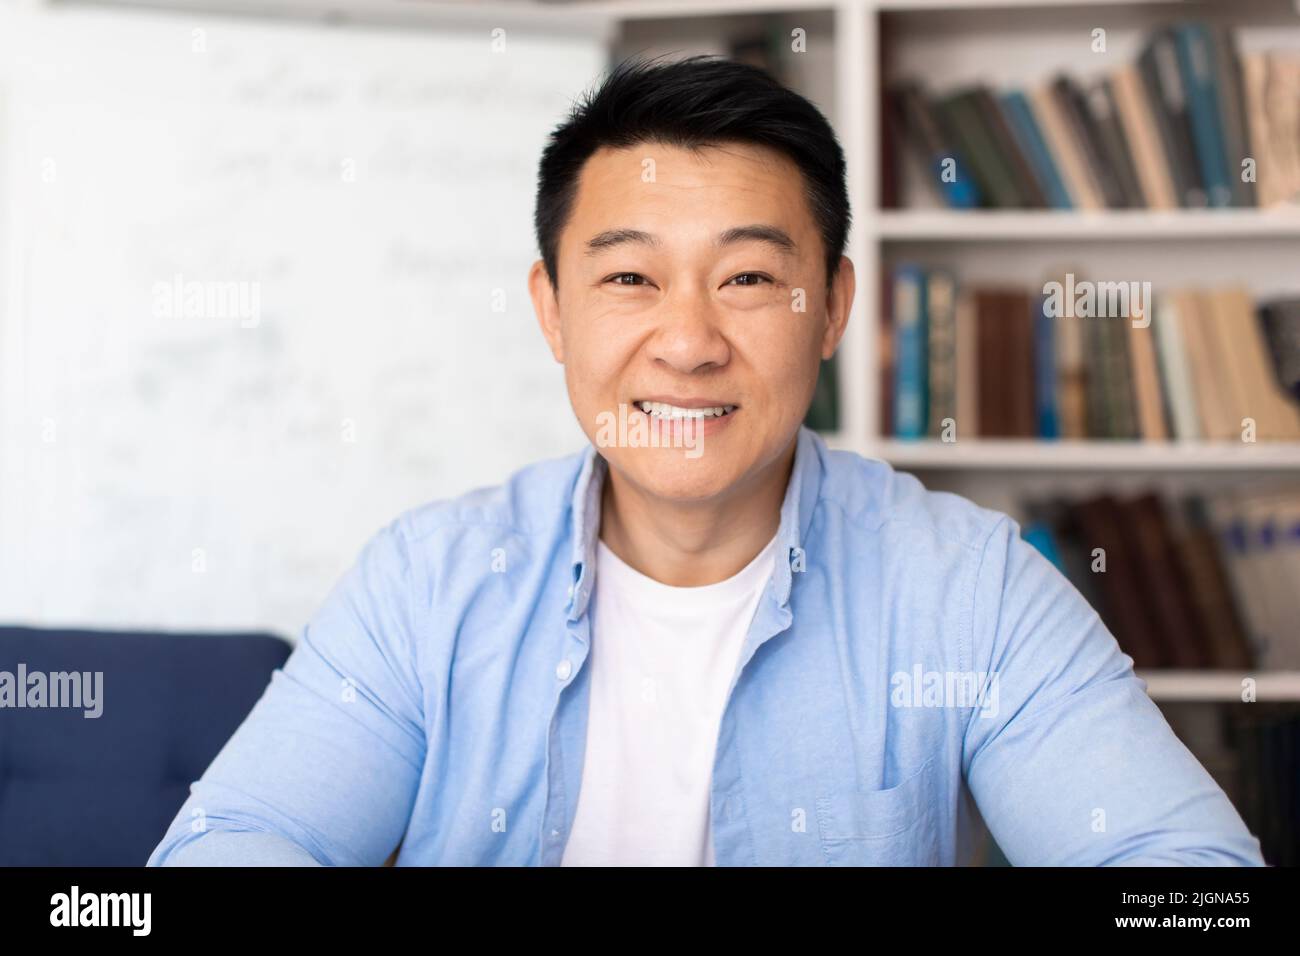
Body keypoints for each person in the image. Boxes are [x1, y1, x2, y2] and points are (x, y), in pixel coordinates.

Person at [148, 56, 1263, 866]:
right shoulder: (426, 579)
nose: (686, 342)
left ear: (831, 306)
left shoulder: (968, 585)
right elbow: (240, 839)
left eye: (744, 279)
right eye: (630, 279)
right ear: (552, 310)